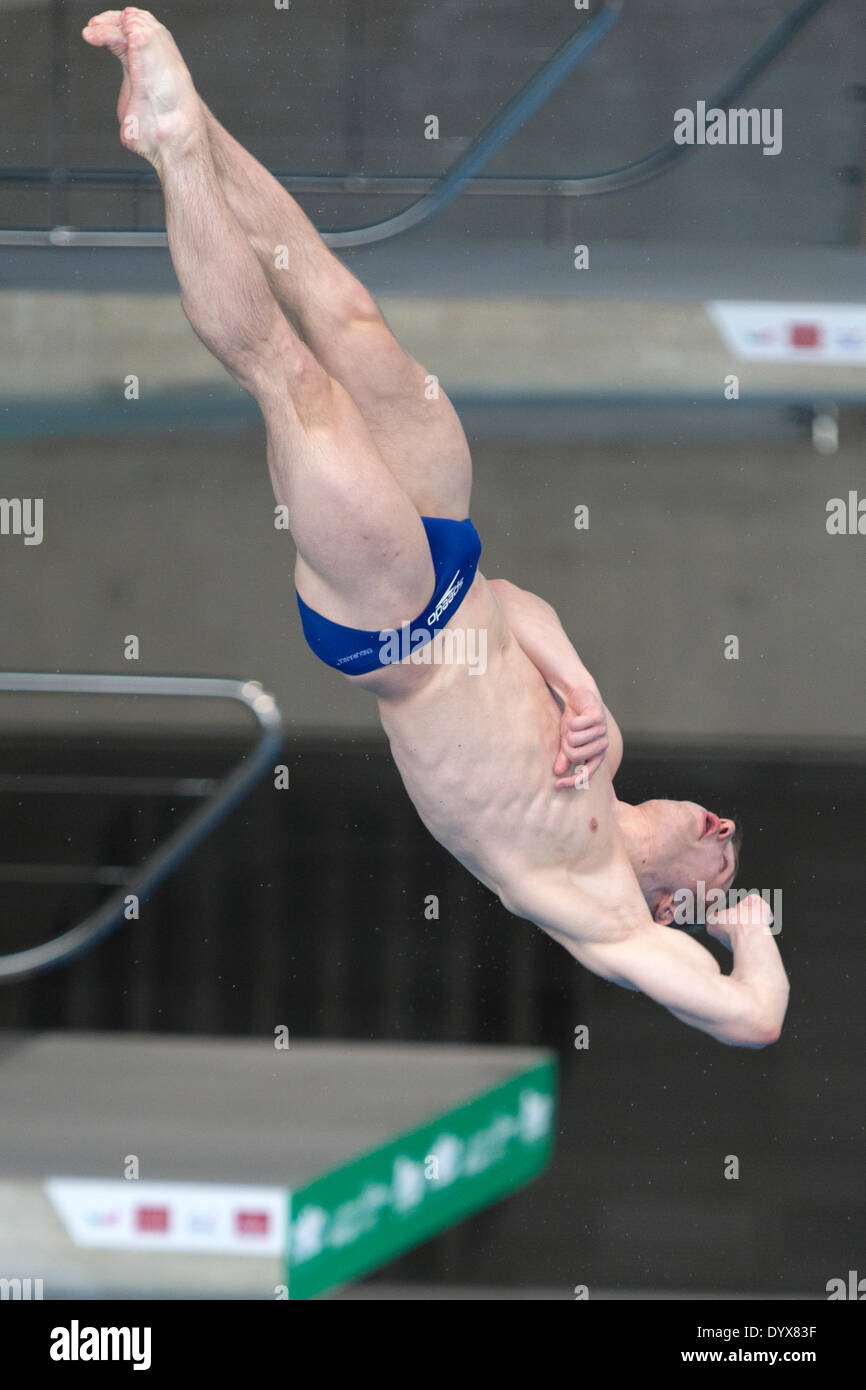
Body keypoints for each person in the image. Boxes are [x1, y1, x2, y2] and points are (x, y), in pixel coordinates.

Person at [83, 8, 789, 1047]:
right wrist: (579, 683)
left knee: (293, 384)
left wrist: (748, 925)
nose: (719, 830)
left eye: (720, 858)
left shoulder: (598, 913)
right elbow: (505, 604)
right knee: (346, 312)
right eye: (729, 842)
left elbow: (750, 1020)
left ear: (678, 905)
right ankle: (184, 121)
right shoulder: (603, 752)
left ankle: (178, 156)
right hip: (455, 560)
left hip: (393, 628)